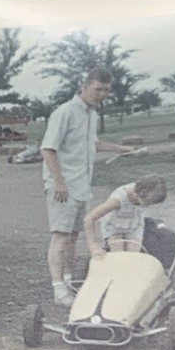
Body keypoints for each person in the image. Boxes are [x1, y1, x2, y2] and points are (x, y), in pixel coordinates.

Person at [40, 68, 133, 306]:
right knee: (60, 237)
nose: (101, 95)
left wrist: (120, 149)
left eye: (106, 91)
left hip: (81, 186)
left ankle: (69, 282)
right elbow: (48, 149)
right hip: (63, 187)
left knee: (73, 237)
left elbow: (92, 144)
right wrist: (59, 182)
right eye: (98, 89)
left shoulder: (90, 114)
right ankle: (59, 290)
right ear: (85, 86)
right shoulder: (64, 112)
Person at [83, 175, 167, 258]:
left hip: (134, 223)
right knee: (119, 255)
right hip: (114, 225)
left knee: (133, 255)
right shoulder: (117, 201)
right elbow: (89, 218)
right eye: (148, 203)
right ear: (138, 195)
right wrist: (93, 246)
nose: (148, 206)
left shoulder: (142, 192)